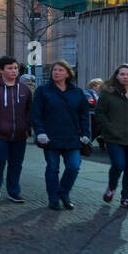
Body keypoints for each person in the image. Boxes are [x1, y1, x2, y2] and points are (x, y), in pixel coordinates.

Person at [30, 60, 91, 210]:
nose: (56, 72)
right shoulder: (43, 91)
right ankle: (53, 198)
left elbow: (84, 114)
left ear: (68, 74)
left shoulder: (77, 92)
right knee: (52, 168)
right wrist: (40, 132)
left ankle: (64, 192)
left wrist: (85, 133)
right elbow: (36, 114)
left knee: (74, 166)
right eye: (54, 70)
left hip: (72, 137)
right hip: (51, 136)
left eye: (60, 70)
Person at [93, 64, 128, 211]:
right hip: (114, 137)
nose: (125, 77)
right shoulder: (108, 93)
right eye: (122, 74)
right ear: (116, 76)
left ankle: (126, 198)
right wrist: (109, 129)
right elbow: (99, 113)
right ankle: (111, 187)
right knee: (118, 165)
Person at [0, 55, 31, 203]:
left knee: (16, 164)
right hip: (0, 134)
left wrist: (27, 127)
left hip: (20, 135)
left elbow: (29, 111)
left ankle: (13, 191)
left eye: (16, 68)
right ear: (1, 71)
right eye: (10, 68)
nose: (14, 71)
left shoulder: (25, 89)